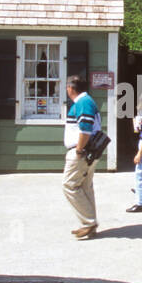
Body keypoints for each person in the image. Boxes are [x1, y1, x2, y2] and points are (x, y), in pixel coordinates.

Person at [62, 75, 100, 239]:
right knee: (85, 187)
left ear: (71, 88)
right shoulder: (87, 101)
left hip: (81, 152)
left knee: (69, 185)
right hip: (89, 151)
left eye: (67, 87)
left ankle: (89, 222)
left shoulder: (83, 103)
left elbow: (85, 129)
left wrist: (78, 150)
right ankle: (89, 224)